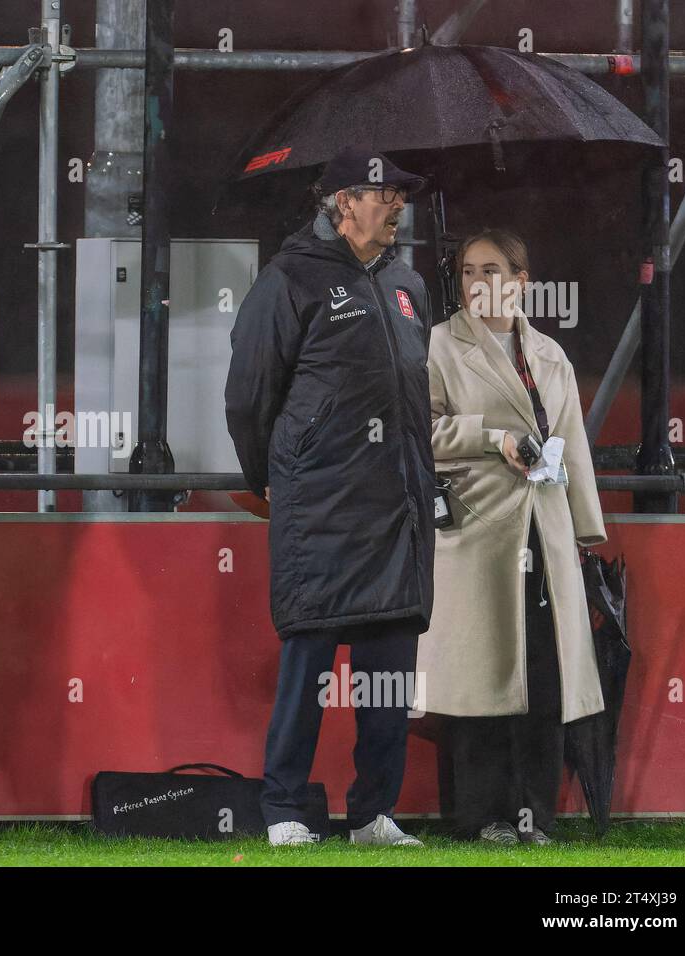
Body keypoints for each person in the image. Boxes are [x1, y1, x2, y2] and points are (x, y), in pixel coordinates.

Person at [225, 146, 436, 847]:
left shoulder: (410, 285)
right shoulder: (288, 279)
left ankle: (372, 814)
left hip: (394, 511)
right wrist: (279, 482)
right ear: (342, 202)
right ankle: (284, 810)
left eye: (403, 196)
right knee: (307, 666)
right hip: (319, 510)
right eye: (385, 194)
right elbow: (249, 399)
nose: (398, 205)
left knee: (387, 677)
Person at [418, 228, 605, 845]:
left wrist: (583, 528)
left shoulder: (550, 353)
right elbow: (423, 428)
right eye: (469, 270)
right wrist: (490, 438)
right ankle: (484, 818)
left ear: (522, 282)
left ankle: (536, 816)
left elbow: (572, 442)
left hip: (545, 537)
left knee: (544, 680)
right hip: (477, 534)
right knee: (481, 680)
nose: (477, 281)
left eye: (491, 269)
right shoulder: (441, 344)